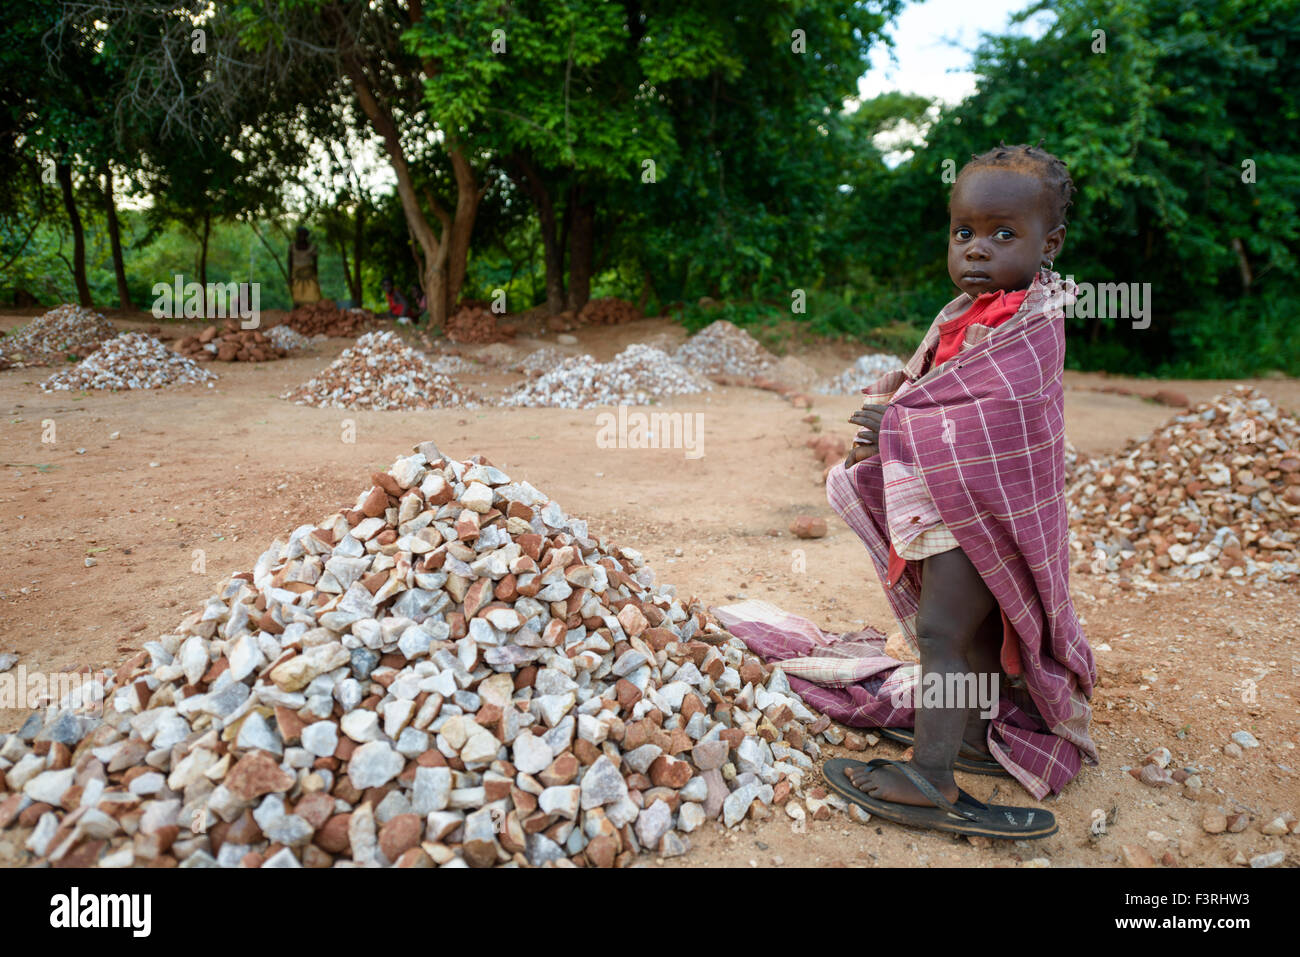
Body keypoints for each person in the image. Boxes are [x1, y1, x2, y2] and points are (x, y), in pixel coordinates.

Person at [715, 143, 1097, 840]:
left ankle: (930, 777)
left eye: (1003, 234)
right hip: (956, 504)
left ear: (1052, 243)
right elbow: (933, 393)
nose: (978, 249)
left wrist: (900, 420)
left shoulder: (1030, 327)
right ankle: (975, 736)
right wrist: (892, 418)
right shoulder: (968, 315)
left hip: (981, 512)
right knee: (975, 634)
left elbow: (993, 417)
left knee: (942, 635)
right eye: (964, 232)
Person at [287, 227, 322, 307]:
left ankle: (314, 310)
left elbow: (315, 264)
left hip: (309, 274)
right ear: (297, 236)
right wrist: (290, 276)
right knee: (297, 295)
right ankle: (298, 311)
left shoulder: (312, 247)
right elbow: (290, 262)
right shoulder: (292, 247)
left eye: (304, 236)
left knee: (314, 294)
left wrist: (316, 276)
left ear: (307, 237)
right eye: (300, 235)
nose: (302, 238)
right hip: (296, 273)